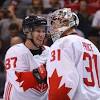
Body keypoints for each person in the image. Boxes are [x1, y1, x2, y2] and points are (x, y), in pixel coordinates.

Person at [46, 8, 100, 100]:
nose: (53, 27)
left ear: (66, 23)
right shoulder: (92, 46)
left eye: (55, 23)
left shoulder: (61, 44)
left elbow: (62, 83)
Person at [3, 15, 49, 100]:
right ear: (27, 31)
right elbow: (20, 82)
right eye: (38, 31)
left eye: (44, 31)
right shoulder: (15, 51)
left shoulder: (49, 51)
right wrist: (46, 69)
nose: (42, 35)